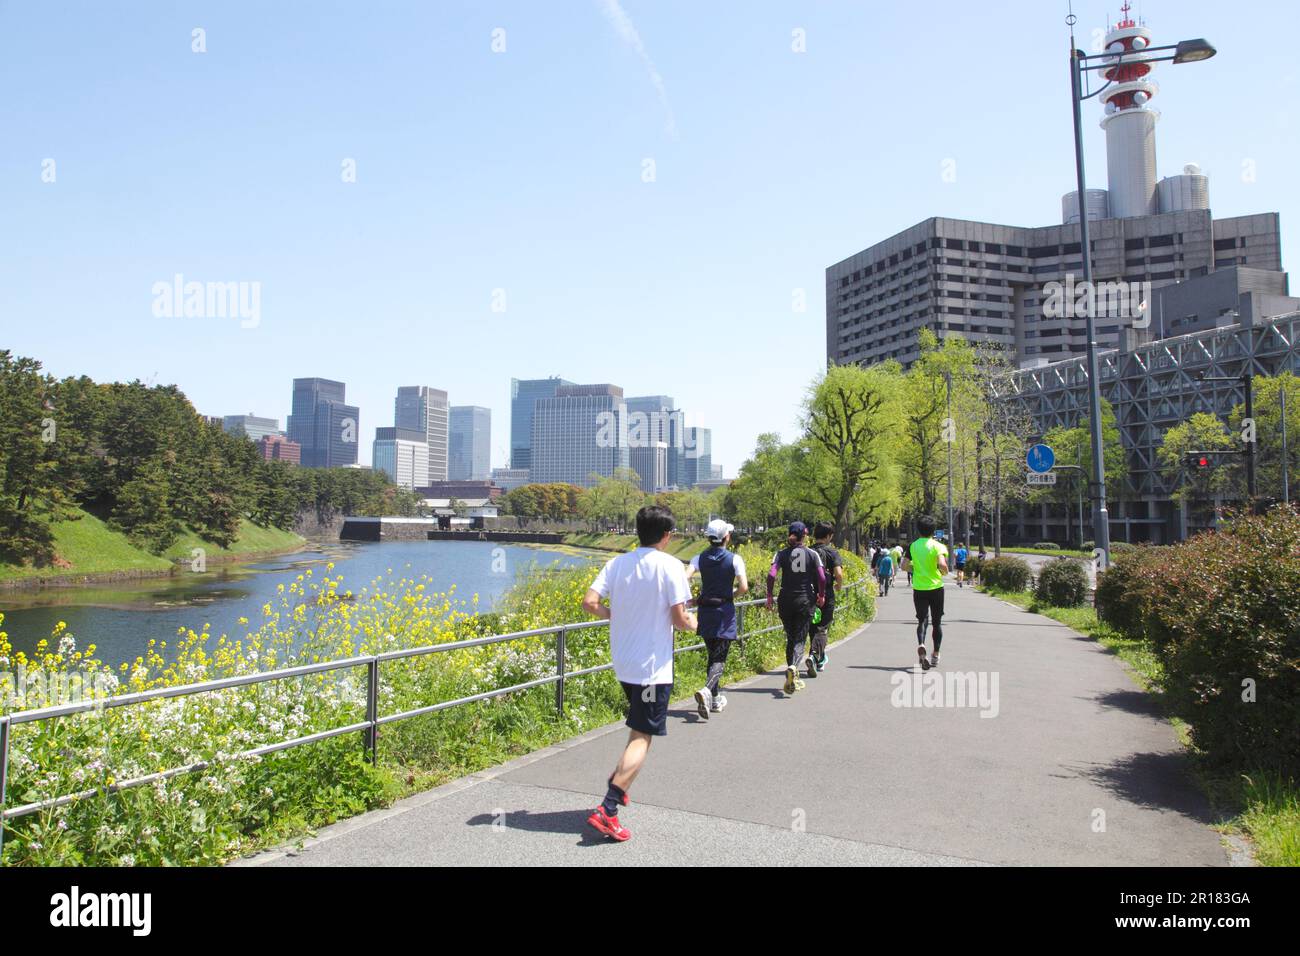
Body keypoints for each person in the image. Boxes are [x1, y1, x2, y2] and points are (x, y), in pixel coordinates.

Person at [581, 505, 696, 842]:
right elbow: (679, 618)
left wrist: (615, 615)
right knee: (643, 735)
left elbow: (589, 602)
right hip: (652, 668)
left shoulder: (617, 563)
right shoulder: (672, 566)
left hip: (624, 663)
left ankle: (620, 781)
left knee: (637, 729)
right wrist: (694, 623)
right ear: (666, 535)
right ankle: (608, 807)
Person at [686, 518, 749, 719]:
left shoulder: (698, 558)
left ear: (708, 538)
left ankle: (714, 700)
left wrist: (692, 599)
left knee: (713, 654)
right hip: (724, 611)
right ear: (727, 537)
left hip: (705, 612)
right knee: (719, 657)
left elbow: (684, 577)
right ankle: (707, 690)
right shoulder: (735, 559)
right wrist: (731, 595)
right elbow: (744, 587)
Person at [766, 521, 826, 696]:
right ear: (805, 535)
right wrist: (821, 595)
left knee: (790, 636)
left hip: (785, 599)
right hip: (805, 599)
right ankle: (794, 668)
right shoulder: (812, 553)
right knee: (800, 637)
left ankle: (791, 674)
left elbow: (771, 575)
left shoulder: (781, 554)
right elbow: (822, 577)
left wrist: (769, 595)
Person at [902, 515, 949, 670]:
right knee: (937, 622)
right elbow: (942, 565)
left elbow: (903, 566)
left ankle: (921, 644)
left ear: (918, 530)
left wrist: (915, 569)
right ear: (933, 530)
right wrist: (944, 571)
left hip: (919, 588)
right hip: (936, 588)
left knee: (922, 620)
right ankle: (935, 654)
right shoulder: (937, 546)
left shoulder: (913, 546)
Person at [807, 522, 844, 676]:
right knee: (823, 627)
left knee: (813, 626)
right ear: (829, 536)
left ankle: (818, 657)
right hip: (826, 593)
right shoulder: (832, 552)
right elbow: (839, 574)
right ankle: (814, 655)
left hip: (809, 593)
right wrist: (839, 586)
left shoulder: (808, 552)